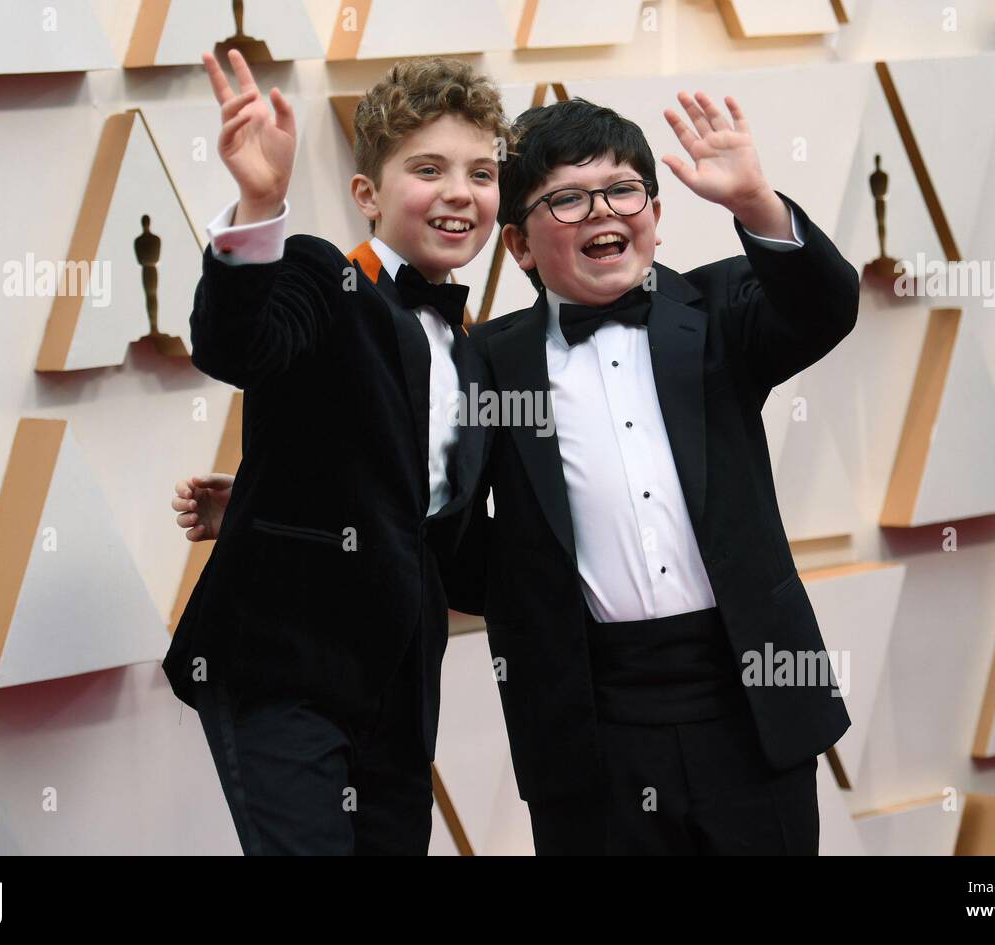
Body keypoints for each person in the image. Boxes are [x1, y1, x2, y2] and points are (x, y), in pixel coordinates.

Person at [176, 90, 859, 855]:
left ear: (655, 215)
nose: (602, 212)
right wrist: (287, 503)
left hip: (749, 700)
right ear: (520, 245)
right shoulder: (485, 362)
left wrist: (758, 202)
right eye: (566, 199)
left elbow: (825, 307)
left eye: (623, 190)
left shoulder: (720, 309)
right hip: (588, 722)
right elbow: (439, 519)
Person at [163, 48, 510, 855]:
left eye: (482, 173)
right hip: (283, 670)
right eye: (429, 168)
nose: (460, 192)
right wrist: (260, 201)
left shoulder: (474, 353)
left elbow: (437, 532)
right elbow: (238, 344)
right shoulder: (324, 278)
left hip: (401, 684)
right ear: (367, 193)